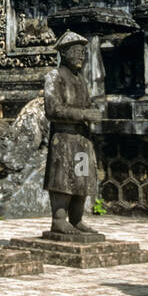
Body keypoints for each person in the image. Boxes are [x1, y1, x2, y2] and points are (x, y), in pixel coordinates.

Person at [43, 30, 102, 239]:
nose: (81, 56)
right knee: (62, 179)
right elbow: (53, 109)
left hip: (82, 138)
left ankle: (77, 219)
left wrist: (92, 113)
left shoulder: (80, 80)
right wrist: (83, 114)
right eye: (76, 51)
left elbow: (85, 104)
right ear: (64, 53)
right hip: (64, 137)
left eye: (83, 52)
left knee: (81, 179)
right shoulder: (55, 76)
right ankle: (59, 220)